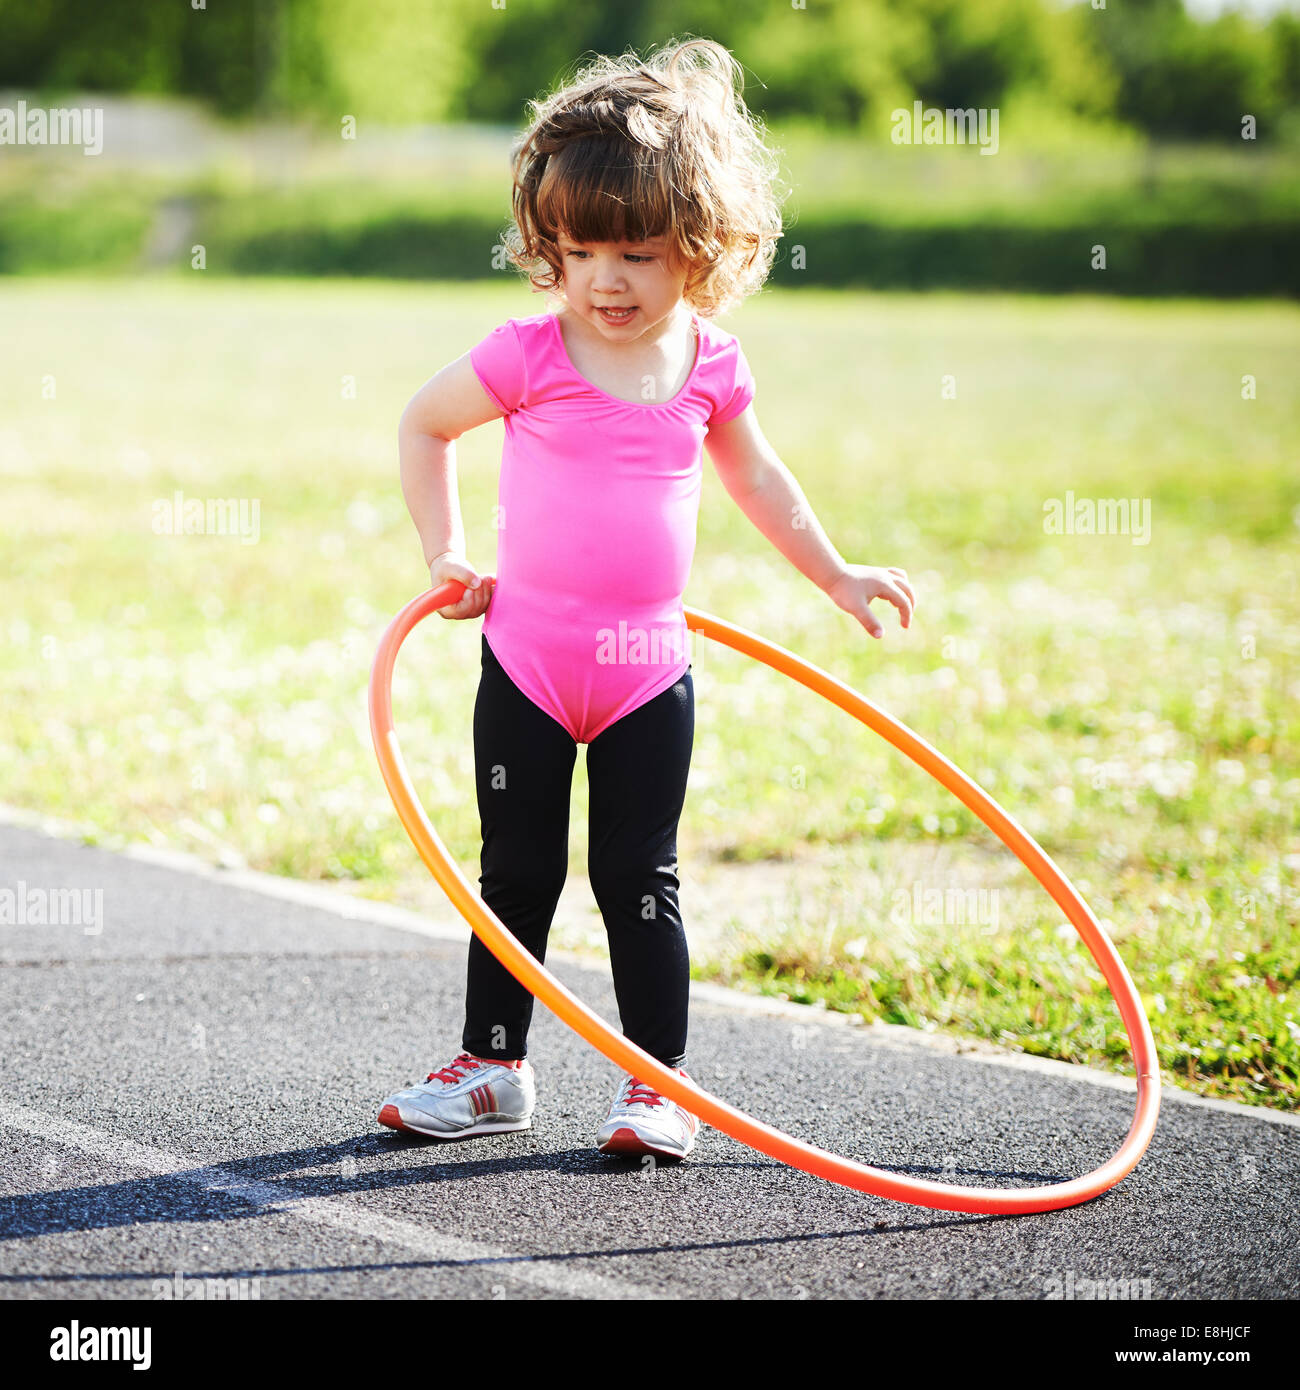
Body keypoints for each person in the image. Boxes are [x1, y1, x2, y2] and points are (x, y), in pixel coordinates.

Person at [380, 36, 914, 1160]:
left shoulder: (711, 364)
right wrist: (446, 556)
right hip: (527, 659)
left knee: (638, 874)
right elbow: (423, 426)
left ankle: (656, 1083)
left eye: (635, 252)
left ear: (701, 248)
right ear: (548, 247)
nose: (604, 280)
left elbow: (760, 480)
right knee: (515, 869)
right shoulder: (528, 354)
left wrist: (837, 575)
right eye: (578, 251)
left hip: (645, 675)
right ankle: (491, 1067)